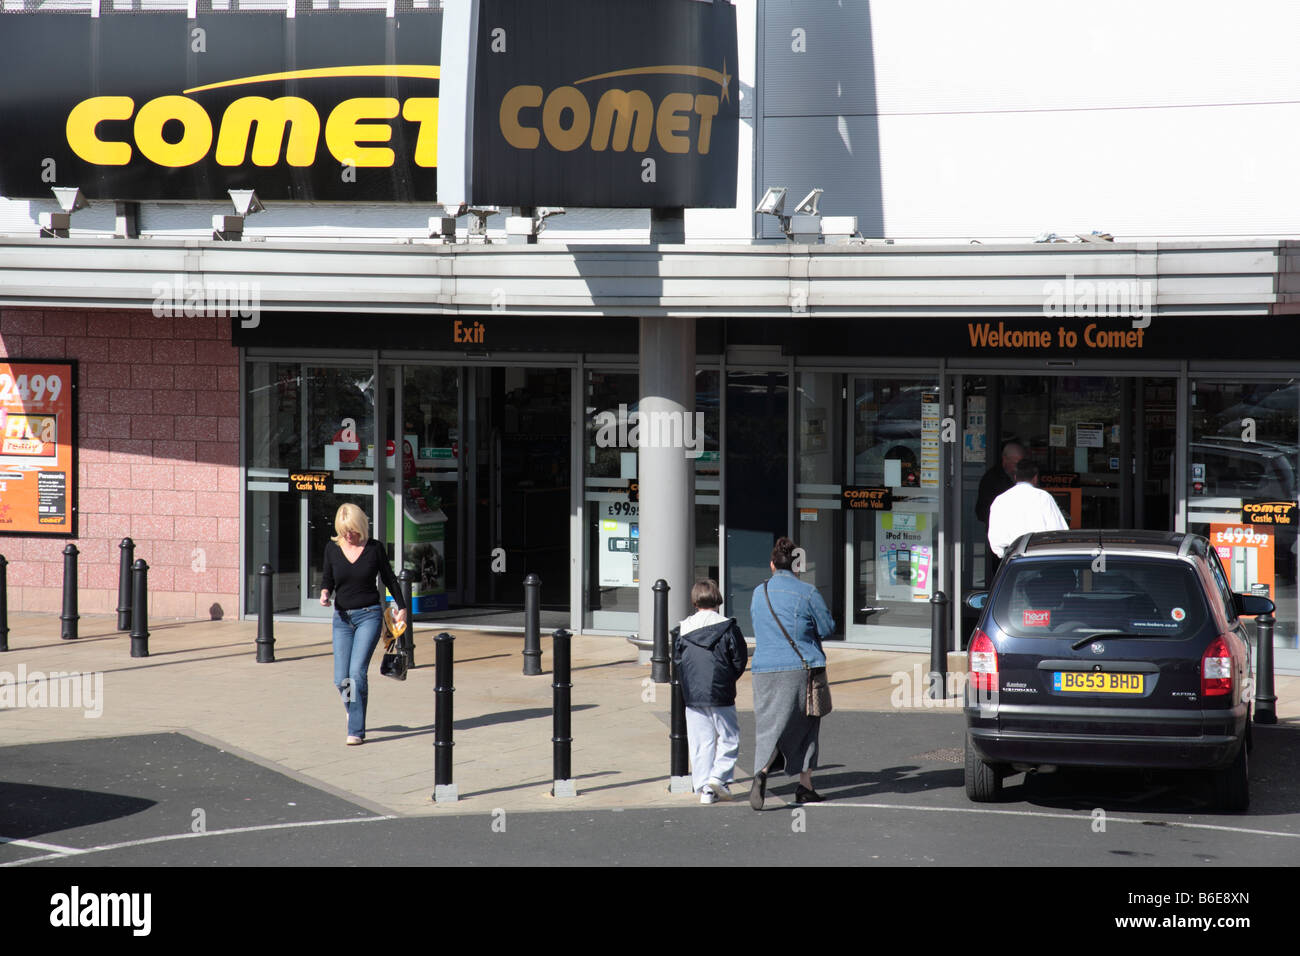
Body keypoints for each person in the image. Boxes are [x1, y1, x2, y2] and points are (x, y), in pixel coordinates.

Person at [749, 536, 835, 809]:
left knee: (768, 725)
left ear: (772, 565)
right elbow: (827, 628)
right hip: (800, 668)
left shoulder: (758, 593)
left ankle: (761, 772)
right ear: (797, 566)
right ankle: (805, 785)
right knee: (807, 725)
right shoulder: (808, 592)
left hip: (763, 667)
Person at [319, 502, 407, 745]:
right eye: (345, 530)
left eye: (354, 530)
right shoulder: (332, 548)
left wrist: (402, 607)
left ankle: (356, 729)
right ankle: (352, 708)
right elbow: (328, 577)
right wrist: (325, 592)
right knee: (340, 679)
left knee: (356, 673)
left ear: (361, 526)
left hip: (369, 614)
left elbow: (389, 578)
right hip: (342, 619)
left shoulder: (374, 549)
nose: (349, 535)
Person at [673, 579, 749, 804]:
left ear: (695, 600)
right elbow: (739, 659)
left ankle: (705, 788)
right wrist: (727, 679)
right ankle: (718, 777)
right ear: (717, 598)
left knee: (700, 742)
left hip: (693, 694)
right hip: (721, 691)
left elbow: (678, 662)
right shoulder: (728, 627)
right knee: (729, 737)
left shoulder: (682, 629)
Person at [987, 458, 1069, 559]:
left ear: (1015, 477)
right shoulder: (1044, 497)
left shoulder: (1000, 500)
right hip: (1040, 556)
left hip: (1012, 559)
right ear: (1035, 478)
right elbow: (1059, 531)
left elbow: (995, 538)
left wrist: (1004, 555)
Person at [976, 440, 1026, 582]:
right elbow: (981, 511)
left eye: (1021, 463)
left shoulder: (1020, 477)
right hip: (1003, 541)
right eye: (1016, 463)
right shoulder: (992, 479)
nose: (1018, 467)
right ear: (1005, 460)